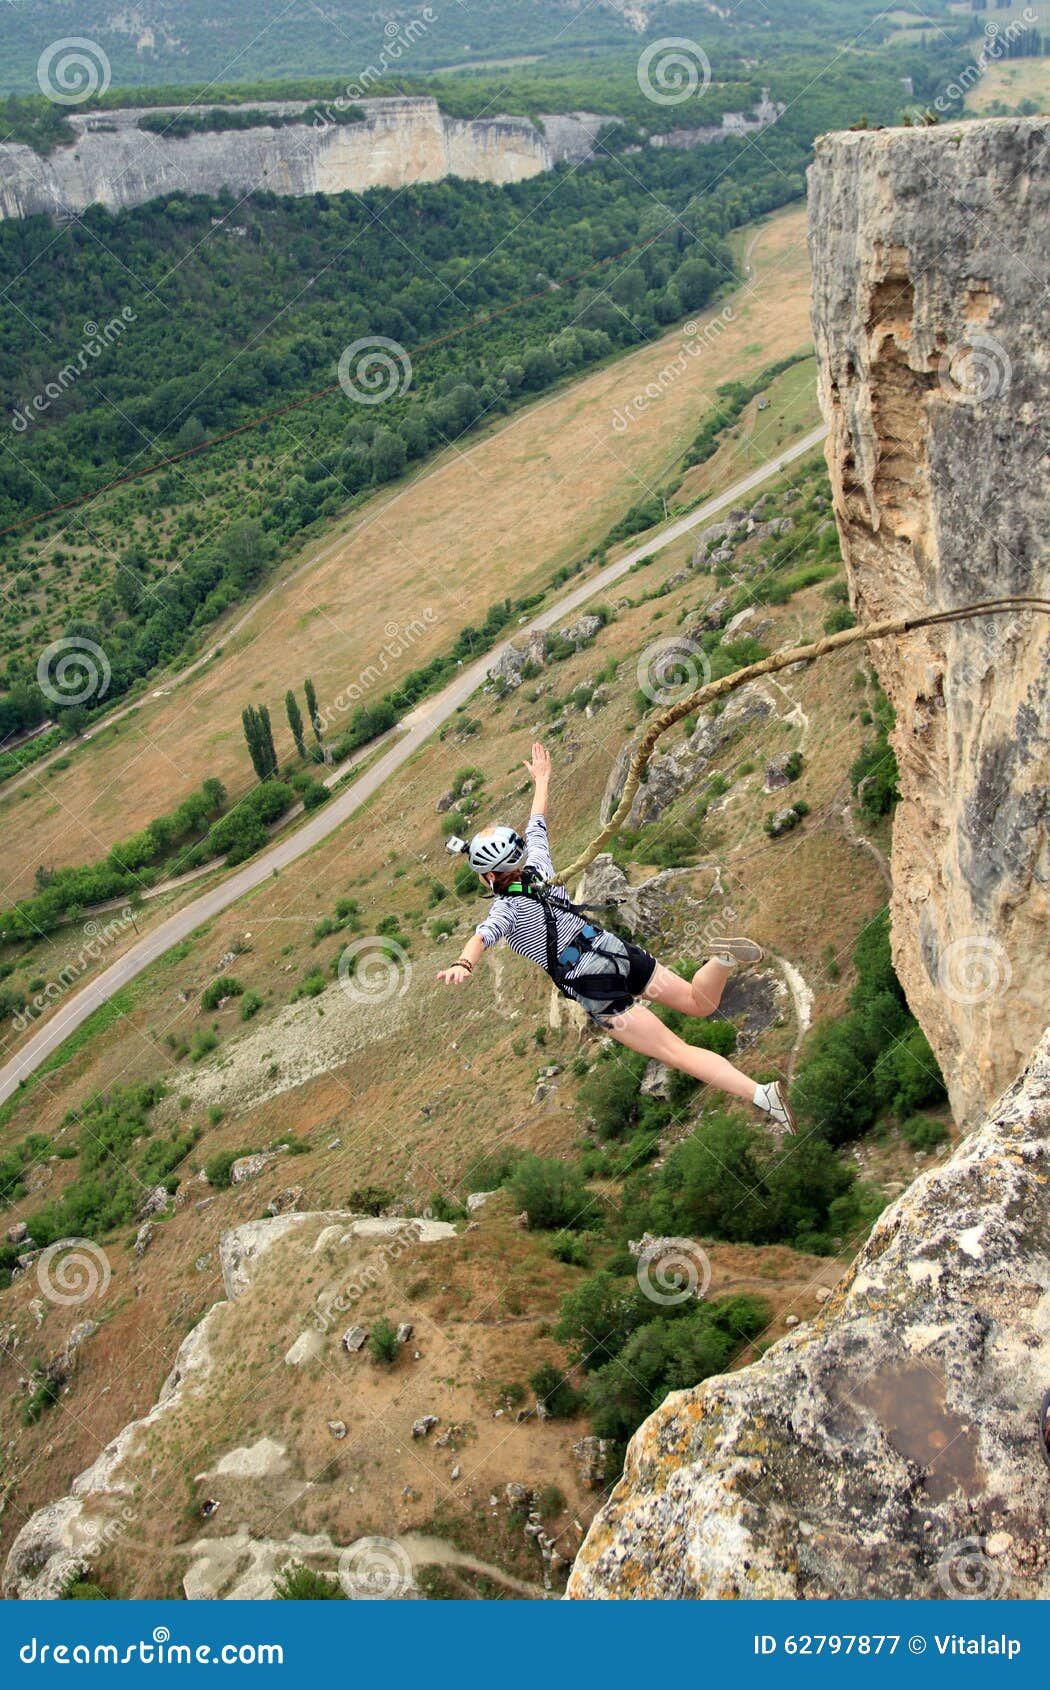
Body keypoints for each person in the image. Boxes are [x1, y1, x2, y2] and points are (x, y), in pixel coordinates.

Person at [437, 742, 797, 1134]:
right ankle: (721, 961)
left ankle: (763, 1095)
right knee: (700, 1004)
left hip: (593, 981)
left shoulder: (505, 909)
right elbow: (536, 821)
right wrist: (542, 779)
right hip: (614, 950)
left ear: (490, 877)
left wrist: (463, 963)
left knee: (675, 1052)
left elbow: (482, 937)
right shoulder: (539, 864)